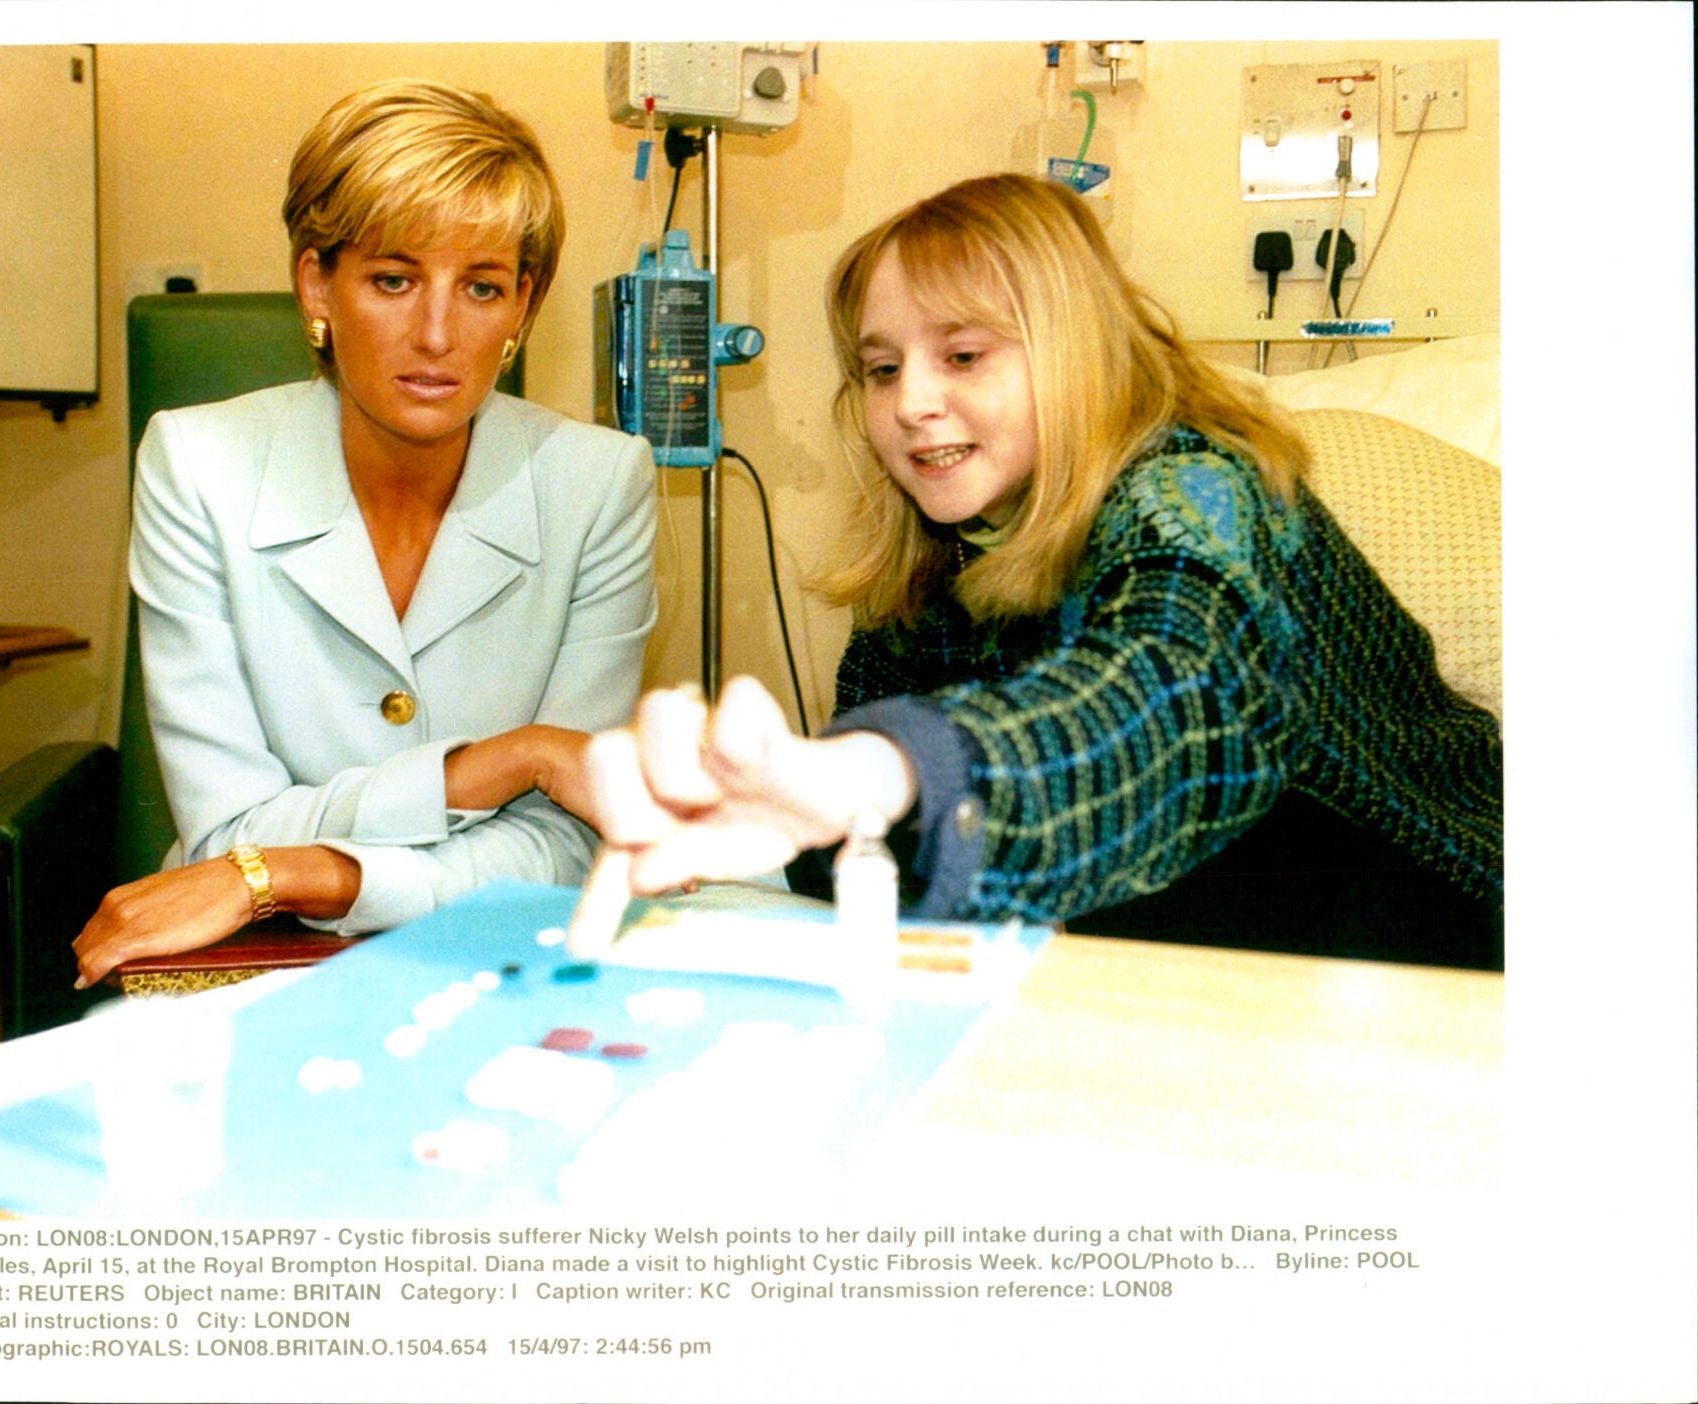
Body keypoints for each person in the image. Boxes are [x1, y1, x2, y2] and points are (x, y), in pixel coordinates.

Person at [584, 173, 1502, 969]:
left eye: (964, 356)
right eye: (879, 368)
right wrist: (784, 804)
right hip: (1157, 934)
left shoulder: (1199, 489)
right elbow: (880, 827)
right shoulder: (934, 559)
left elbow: (1163, 700)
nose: (910, 403)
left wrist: (886, 772)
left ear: (1076, 353)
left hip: (1420, 921)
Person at [73, 80, 657, 986]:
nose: (437, 334)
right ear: (317, 281)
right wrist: (513, 760)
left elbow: (569, 842)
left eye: (482, 287)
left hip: (496, 950)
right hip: (252, 954)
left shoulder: (599, 485)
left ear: (522, 305)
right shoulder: (197, 467)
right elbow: (229, 831)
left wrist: (316, 872)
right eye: (393, 279)